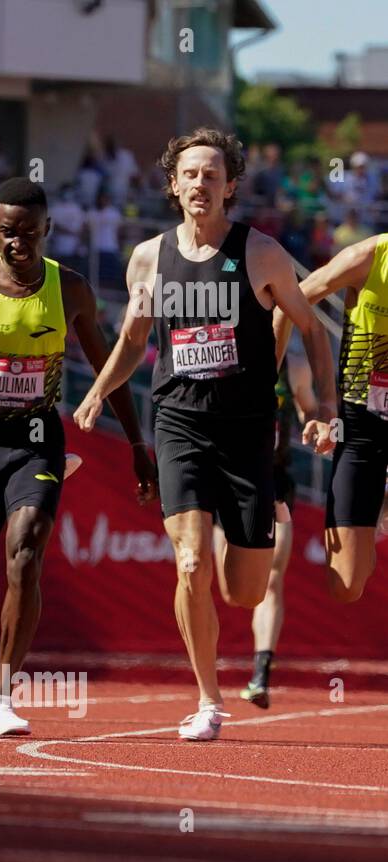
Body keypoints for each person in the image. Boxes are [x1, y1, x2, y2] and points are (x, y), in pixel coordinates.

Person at [75, 127, 337, 741]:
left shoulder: (260, 253)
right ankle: (208, 699)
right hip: (180, 422)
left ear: (230, 186)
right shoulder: (149, 257)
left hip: (247, 430)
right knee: (188, 561)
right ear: (173, 184)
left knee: (245, 592)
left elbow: (312, 328)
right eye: (190, 174)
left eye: (212, 175)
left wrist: (325, 406)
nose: (200, 183)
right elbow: (132, 341)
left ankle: (237, 531)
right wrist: (96, 392)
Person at [0, 178, 156, 735]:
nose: (17, 243)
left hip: (37, 438)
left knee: (25, 553)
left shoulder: (71, 289)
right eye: (7, 232)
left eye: (29, 233)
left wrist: (139, 444)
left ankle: (2, 693)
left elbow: (108, 368)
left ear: (48, 230)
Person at [273, 230, 388, 604]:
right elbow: (288, 303)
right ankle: (378, 504)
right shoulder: (368, 257)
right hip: (364, 427)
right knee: (346, 585)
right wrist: (268, 385)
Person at [218, 343, 317, 708]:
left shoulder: (295, 366)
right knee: (233, 592)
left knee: (272, 579)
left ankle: (261, 675)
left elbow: (310, 407)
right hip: (228, 479)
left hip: (275, 481)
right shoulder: (227, 355)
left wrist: (317, 422)